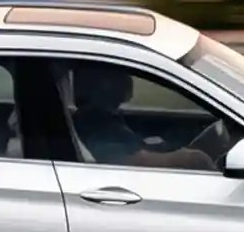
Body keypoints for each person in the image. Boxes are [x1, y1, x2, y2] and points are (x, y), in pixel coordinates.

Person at [70, 67, 226, 171]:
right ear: (100, 83)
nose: (127, 80)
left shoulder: (103, 118)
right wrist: (193, 158)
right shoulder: (96, 123)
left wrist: (175, 148)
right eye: (119, 75)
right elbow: (133, 161)